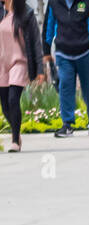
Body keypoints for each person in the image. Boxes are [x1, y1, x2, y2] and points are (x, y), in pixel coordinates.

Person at [42, 0, 89, 138]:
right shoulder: (54, 2)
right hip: (63, 53)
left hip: (86, 53)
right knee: (65, 85)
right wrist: (46, 51)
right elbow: (48, 25)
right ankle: (67, 124)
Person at [0, 0, 41, 152]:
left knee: (13, 99)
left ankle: (15, 141)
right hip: (2, 64)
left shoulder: (26, 13)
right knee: (5, 106)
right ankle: (16, 132)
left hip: (20, 62)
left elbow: (36, 42)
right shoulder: (1, 12)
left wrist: (40, 69)